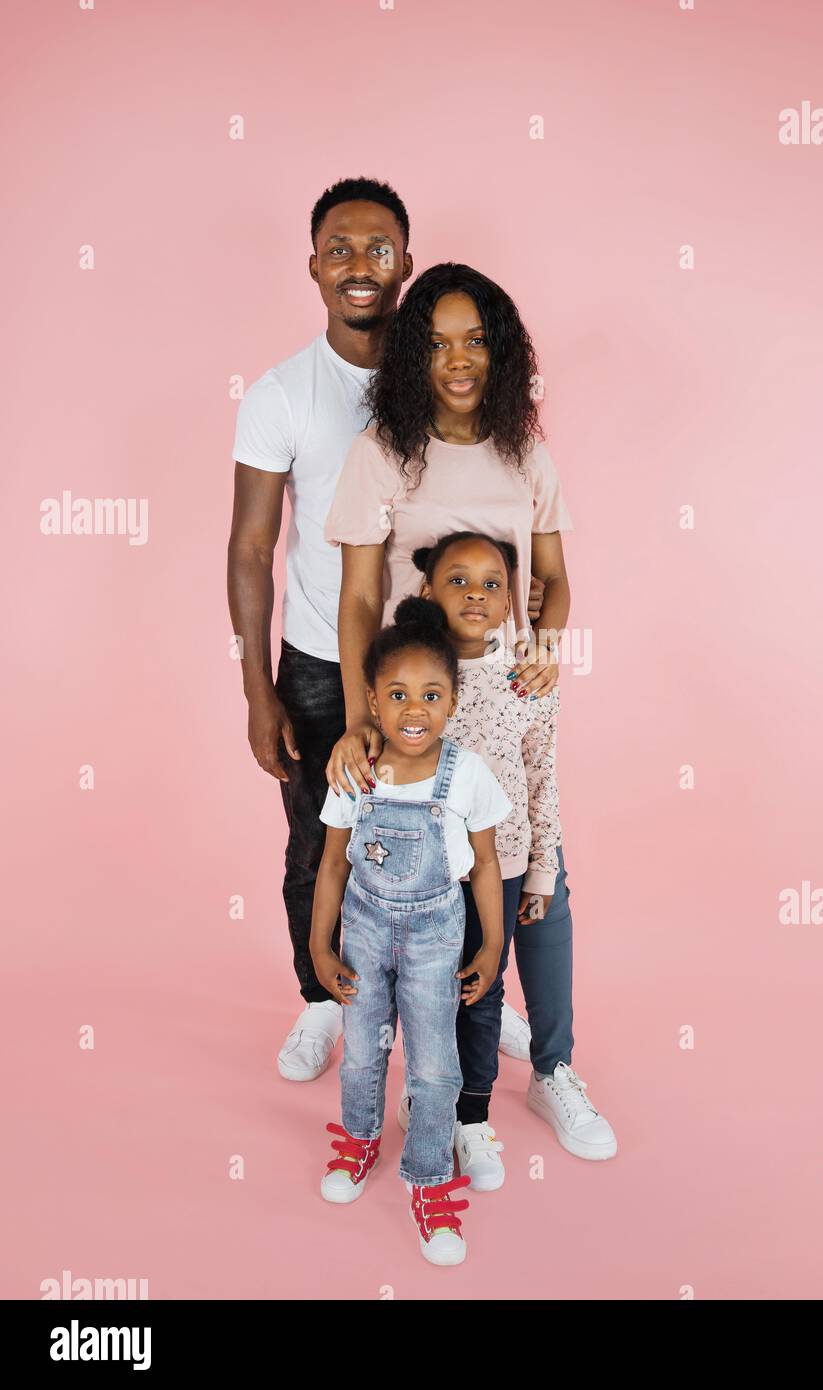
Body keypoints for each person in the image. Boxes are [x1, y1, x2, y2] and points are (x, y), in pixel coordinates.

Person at [227, 180, 546, 1080]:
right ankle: (326, 1001)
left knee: (469, 832)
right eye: (340, 247)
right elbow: (252, 548)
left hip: (451, 665)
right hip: (325, 660)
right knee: (320, 837)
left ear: (406, 262)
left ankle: (469, 1003)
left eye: (378, 248)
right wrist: (257, 688)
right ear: (315, 266)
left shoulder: (452, 380)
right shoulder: (281, 394)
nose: (359, 265)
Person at [324, 264, 617, 1161]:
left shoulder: (526, 455)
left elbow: (555, 581)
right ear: (415, 355)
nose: (457, 360)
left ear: (499, 349)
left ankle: (555, 1068)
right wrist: (358, 716)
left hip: (507, 694)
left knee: (538, 871)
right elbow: (359, 596)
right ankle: (447, 1091)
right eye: (437, 342)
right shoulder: (384, 452)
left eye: (475, 340)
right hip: (421, 709)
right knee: (440, 887)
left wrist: (544, 641)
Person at [310, 597, 511, 1265]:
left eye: (430, 694)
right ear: (371, 698)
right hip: (364, 931)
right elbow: (334, 862)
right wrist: (320, 943)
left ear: (452, 700)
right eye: (396, 694)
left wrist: (489, 944)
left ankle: (429, 1177)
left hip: (435, 936)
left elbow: (483, 865)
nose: (414, 708)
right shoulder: (353, 772)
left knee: (432, 1065)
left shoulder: (467, 775)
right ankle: (361, 1136)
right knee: (363, 1049)